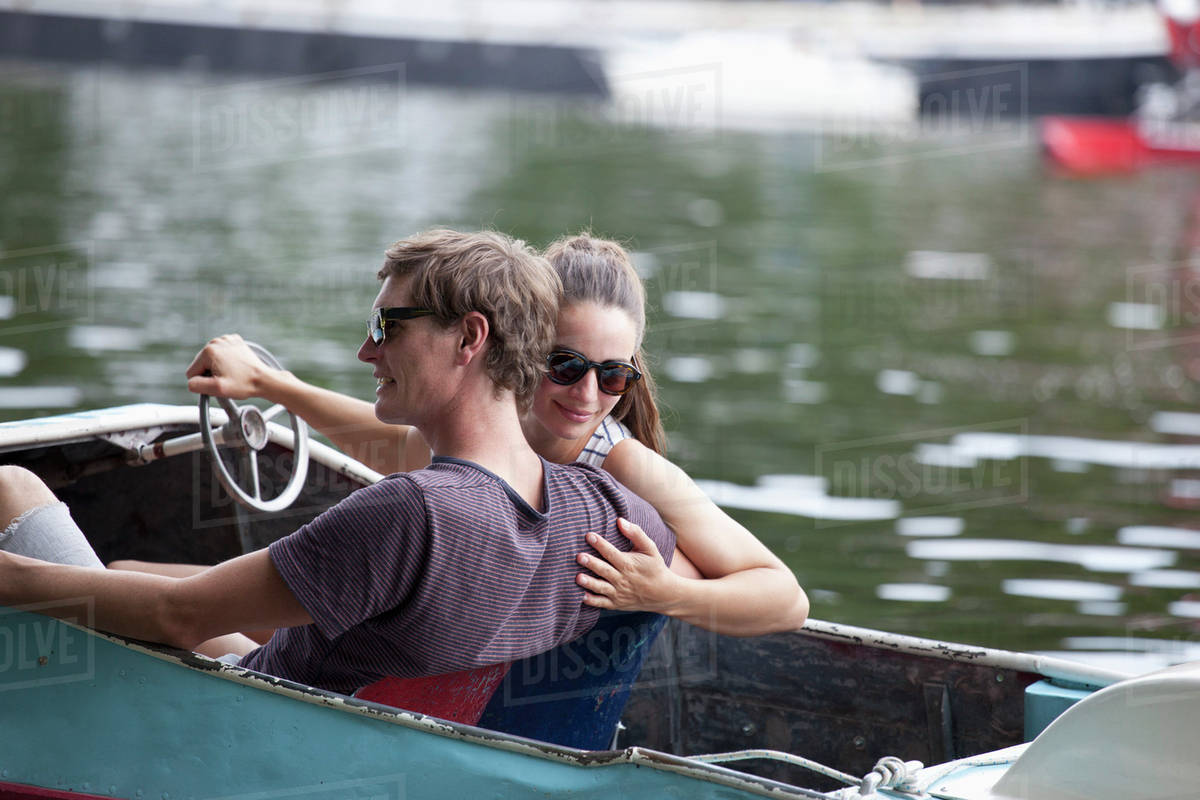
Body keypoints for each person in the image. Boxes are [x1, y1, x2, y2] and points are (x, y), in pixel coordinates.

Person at [0, 229, 677, 696]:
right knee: (122, 573)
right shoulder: (606, 513)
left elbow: (181, 617)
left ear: (470, 337)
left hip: (250, 720)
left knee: (12, 487)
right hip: (356, 720)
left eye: (388, 326)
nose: (366, 350)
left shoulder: (411, 513)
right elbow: (691, 567)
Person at [167, 234, 807, 637]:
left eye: (613, 375)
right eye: (565, 365)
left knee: (144, 588)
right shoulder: (494, 439)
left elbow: (785, 600)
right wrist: (274, 387)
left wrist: (668, 593)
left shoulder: (628, 469)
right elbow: (389, 442)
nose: (587, 395)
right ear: (518, 341)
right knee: (156, 579)